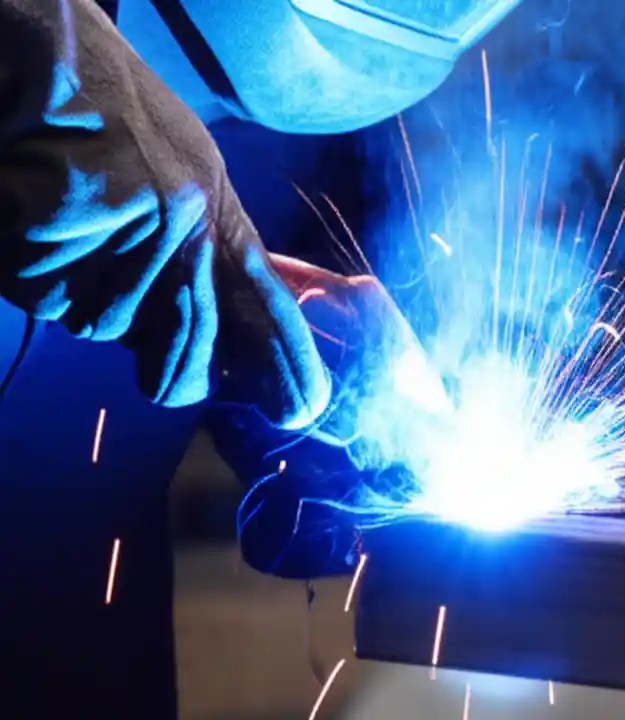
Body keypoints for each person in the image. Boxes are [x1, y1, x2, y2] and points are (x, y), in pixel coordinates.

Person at [0, 1, 518, 715]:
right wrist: (32, 58)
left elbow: (246, 190)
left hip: (82, 610)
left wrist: (275, 345)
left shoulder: (278, 83)